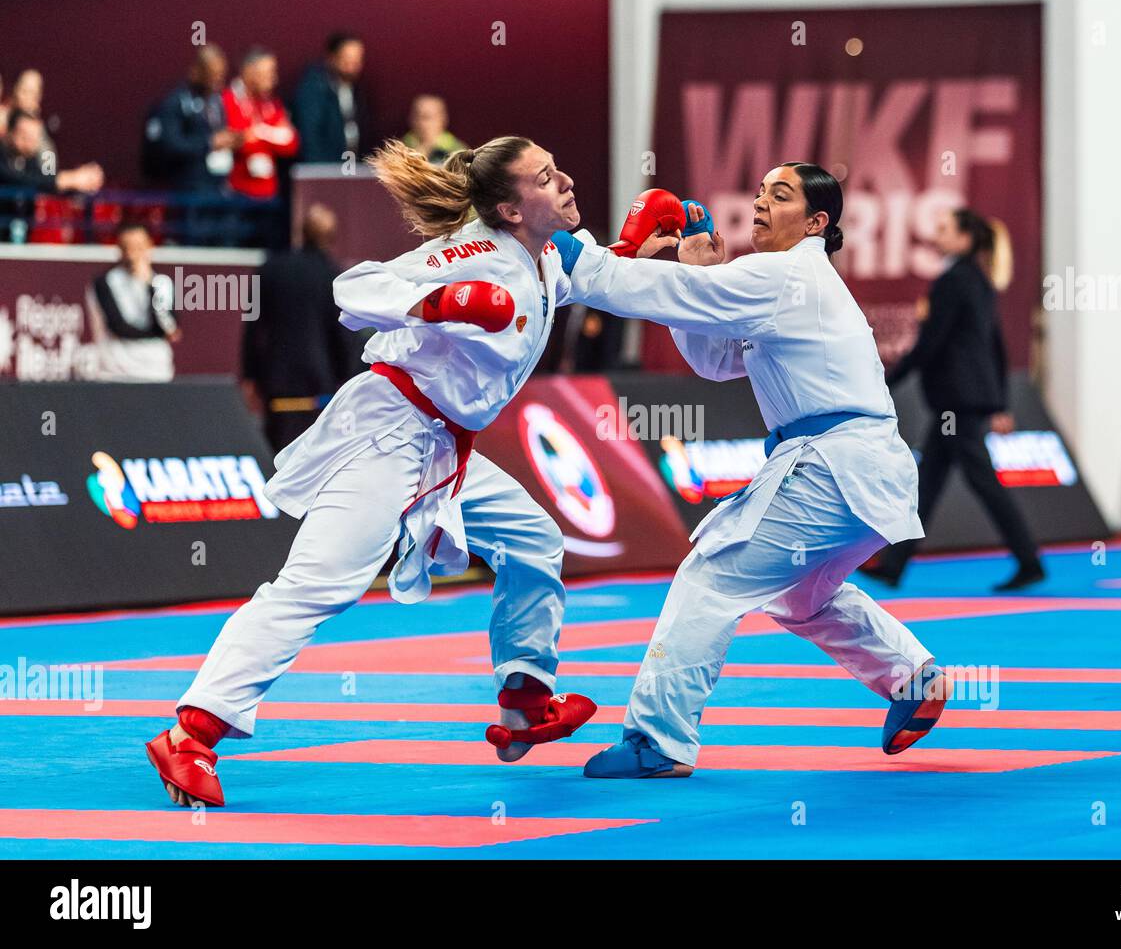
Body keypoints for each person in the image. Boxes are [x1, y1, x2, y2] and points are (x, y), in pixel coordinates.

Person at [145, 136, 596, 807]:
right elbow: (356, 288)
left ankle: (526, 699)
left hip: (444, 445)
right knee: (320, 581)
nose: (563, 181)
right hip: (388, 432)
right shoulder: (473, 253)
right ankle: (193, 731)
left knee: (534, 539)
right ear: (508, 207)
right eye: (544, 177)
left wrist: (654, 249)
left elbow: (605, 275)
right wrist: (437, 305)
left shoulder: (544, 261)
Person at [549, 166, 952, 779]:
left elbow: (659, 294)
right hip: (862, 468)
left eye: (781, 196)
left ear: (817, 223)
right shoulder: (793, 281)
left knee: (710, 576)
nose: (762, 203)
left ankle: (659, 740)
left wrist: (577, 255)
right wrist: (697, 274)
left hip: (832, 461)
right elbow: (715, 360)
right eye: (761, 193)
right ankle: (911, 677)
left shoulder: (786, 273)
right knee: (798, 595)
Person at [864, 207, 1046, 592]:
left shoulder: (952, 281)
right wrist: (998, 402)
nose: (938, 234)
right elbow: (995, 346)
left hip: (957, 401)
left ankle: (1029, 559)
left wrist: (885, 382)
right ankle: (895, 564)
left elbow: (932, 343)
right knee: (929, 482)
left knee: (981, 482)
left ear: (965, 238)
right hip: (966, 398)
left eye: (945, 229)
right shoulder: (977, 280)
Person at [241, 203, 367, 451]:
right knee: (316, 457)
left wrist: (250, 375)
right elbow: (343, 333)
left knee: (277, 458)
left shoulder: (269, 269)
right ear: (331, 238)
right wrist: (347, 376)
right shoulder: (333, 276)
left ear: (301, 232)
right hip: (319, 386)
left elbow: (253, 328)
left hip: (277, 385)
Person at [85, 222, 180, 381]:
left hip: (157, 373)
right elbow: (118, 327)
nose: (133, 254)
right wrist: (156, 335)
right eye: (127, 247)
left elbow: (168, 327)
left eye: (139, 247)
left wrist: (150, 286)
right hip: (115, 374)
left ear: (150, 246)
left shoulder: (161, 283)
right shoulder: (105, 282)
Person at [143, 46, 242, 192]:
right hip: (187, 187)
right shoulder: (176, 102)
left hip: (217, 183)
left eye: (220, 75)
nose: (217, 81)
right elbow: (171, 145)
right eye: (212, 75)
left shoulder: (216, 100)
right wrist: (209, 143)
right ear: (197, 72)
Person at [222, 47, 299, 199]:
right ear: (249, 71)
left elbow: (291, 145)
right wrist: (273, 135)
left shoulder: (272, 104)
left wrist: (259, 132)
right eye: (269, 72)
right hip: (236, 192)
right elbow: (239, 141)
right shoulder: (227, 100)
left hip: (268, 192)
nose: (274, 78)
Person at [293, 32, 366, 164]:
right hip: (324, 170)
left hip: (348, 166)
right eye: (346, 59)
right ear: (332, 58)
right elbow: (310, 136)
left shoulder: (355, 90)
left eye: (357, 60)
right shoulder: (315, 88)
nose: (352, 66)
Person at [0, 111, 102, 193]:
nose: (32, 143)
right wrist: (68, 179)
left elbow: (43, 180)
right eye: (26, 136)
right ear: (10, 133)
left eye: (35, 137)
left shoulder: (30, 158)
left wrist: (77, 183)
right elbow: (19, 180)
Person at [402, 95, 465, 165]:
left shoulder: (456, 149)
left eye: (427, 117)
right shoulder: (403, 145)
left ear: (442, 119)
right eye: (416, 117)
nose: (421, 123)